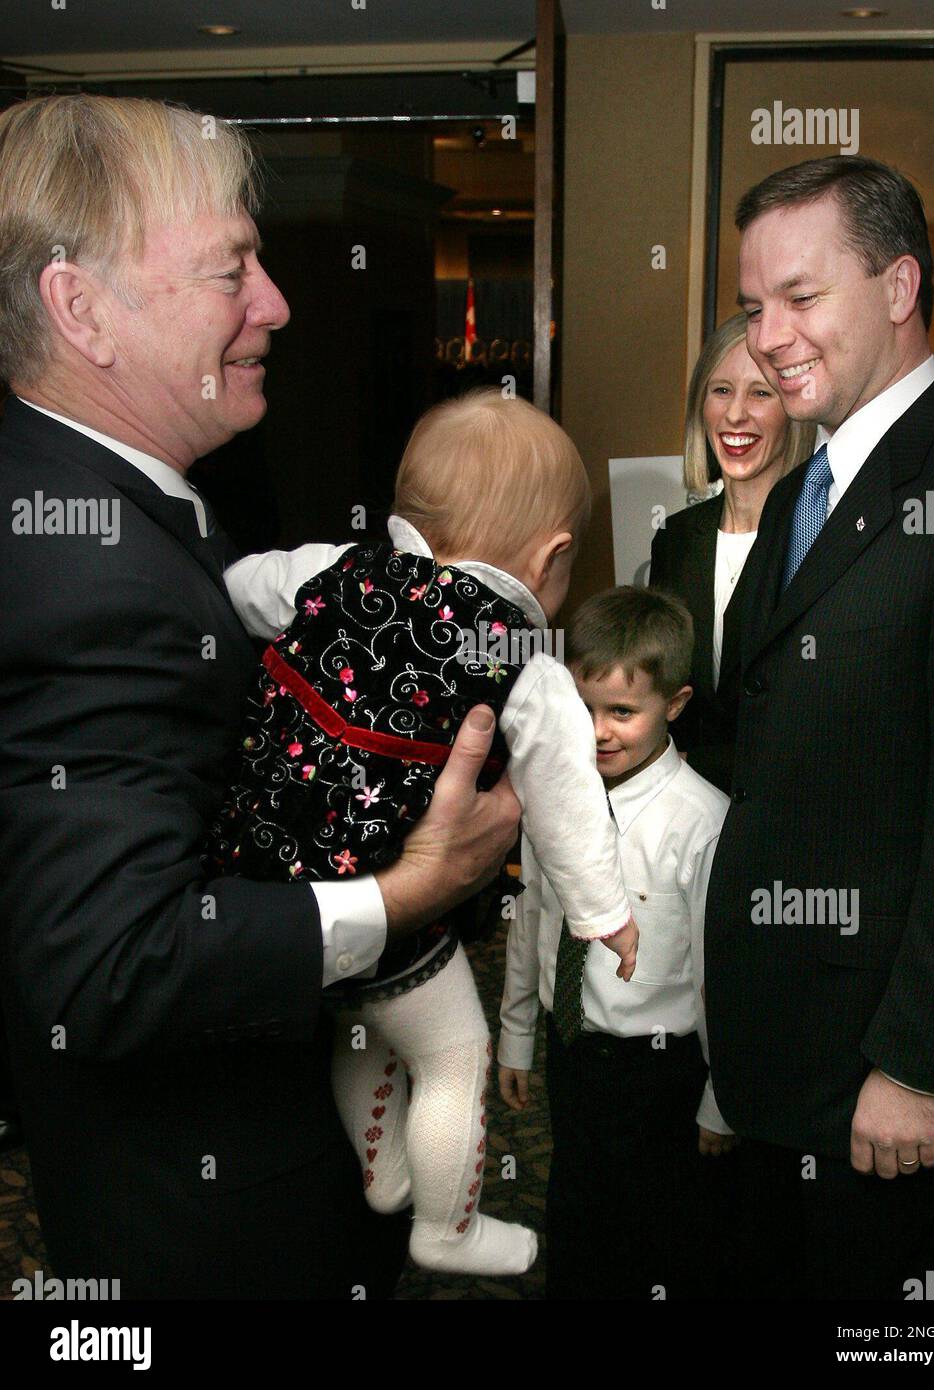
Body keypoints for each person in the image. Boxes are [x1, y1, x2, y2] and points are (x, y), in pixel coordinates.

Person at [0, 93, 520, 1299]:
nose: (276, 303)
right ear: (81, 310)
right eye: (233, 270)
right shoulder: (87, 570)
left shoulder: (114, 498)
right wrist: (406, 894)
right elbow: (111, 965)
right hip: (207, 1225)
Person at [211, 388, 640, 1277]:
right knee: (452, 1055)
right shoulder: (522, 658)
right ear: (553, 556)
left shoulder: (333, 569)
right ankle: (445, 1228)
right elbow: (566, 805)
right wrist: (603, 915)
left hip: (265, 894)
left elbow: (237, 590)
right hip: (394, 909)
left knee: (358, 1030)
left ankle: (384, 1170)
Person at [704, 155, 934, 1299]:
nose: (767, 334)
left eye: (800, 297)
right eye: (752, 306)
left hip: (878, 1064)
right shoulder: (802, 484)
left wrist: (920, 1061)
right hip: (771, 1042)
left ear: (897, 287)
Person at [498, 586, 735, 1300]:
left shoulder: (702, 821)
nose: (597, 732)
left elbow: (717, 977)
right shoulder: (548, 796)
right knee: (577, 1217)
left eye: (622, 712)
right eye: (583, 710)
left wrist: (719, 1101)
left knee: (662, 1236)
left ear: (676, 703)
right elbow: (531, 915)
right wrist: (516, 1034)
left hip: (660, 1076)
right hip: (571, 1050)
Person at [649, 314, 813, 792]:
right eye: (721, 390)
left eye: (760, 393)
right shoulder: (676, 540)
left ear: (792, 406)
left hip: (779, 816)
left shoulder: (818, 539)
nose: (735, 414)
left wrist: (694, 768)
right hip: (683, 830)